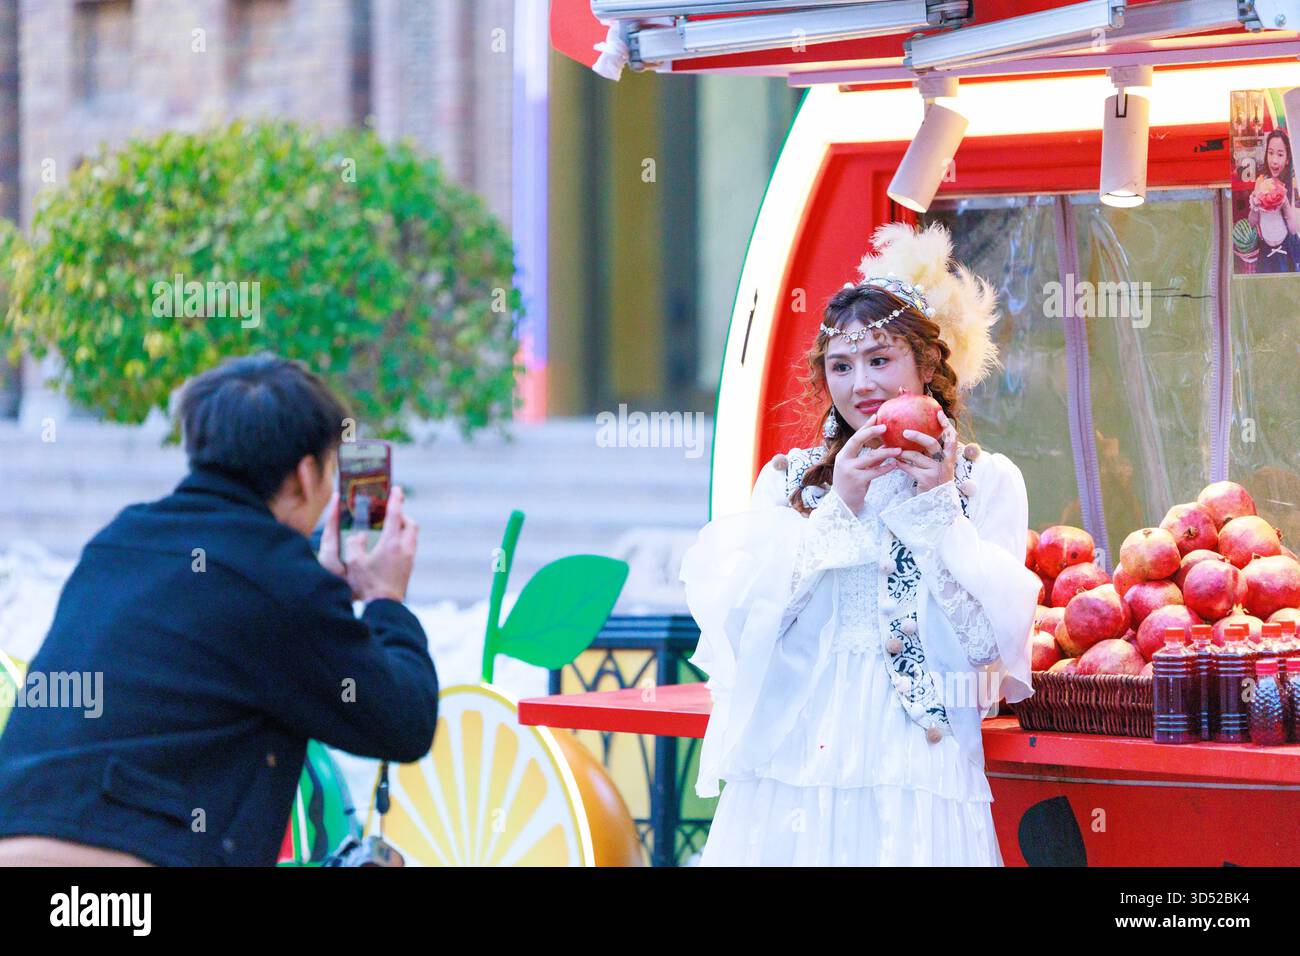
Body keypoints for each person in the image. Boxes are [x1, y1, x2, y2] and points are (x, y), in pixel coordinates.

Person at [680, 222, 1041, 866]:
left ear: (928, 365)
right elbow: (752, 623)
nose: (861, 384)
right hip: (797, 753)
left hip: (919, 757)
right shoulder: (789, 483)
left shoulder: (985, 482)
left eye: (880, 359)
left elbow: (992, 651)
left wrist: (938, 516)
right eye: (842, 366)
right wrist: (839, 504)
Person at [0, 354, 438, 866]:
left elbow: (216, 634)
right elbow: (404, 722)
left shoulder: (122, 539)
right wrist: (386, 599)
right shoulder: (279, 582)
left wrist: (317, 584)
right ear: (305, 474)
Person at [1248, 129, 1300, 274]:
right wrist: (1255, 205)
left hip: (1287, 249)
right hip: (1265, 250)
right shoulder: (1261, 181)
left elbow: (1293, 229)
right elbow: (1252, 223)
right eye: (1270, 153)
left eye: (1280, 154)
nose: (1274, 160)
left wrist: (1284, 204)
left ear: (1287, 159)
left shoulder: (1291, 185)